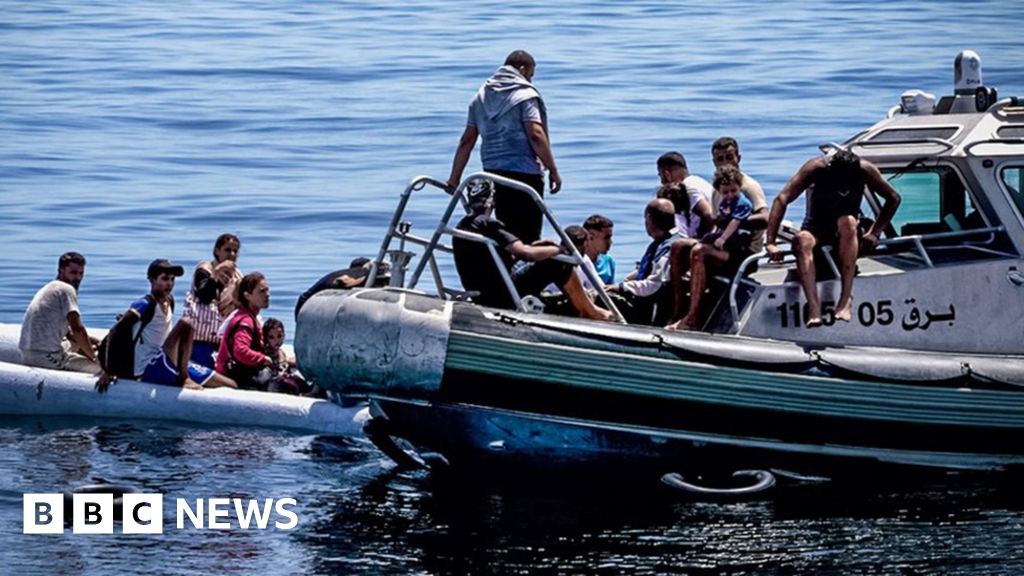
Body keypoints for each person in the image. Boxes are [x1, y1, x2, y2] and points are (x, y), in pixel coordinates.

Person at [765, 149, 902, 326]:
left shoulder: (865, 170)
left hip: (847, 231)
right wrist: (771, 242)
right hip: (816, 228)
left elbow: (893, 198)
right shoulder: (816, 168)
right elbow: (781, 199)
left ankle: (845, 300)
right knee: (802, 240)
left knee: (847, 221)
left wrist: (875, 232)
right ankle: (814, 308)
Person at [452, 180, 610, 320]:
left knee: (546, 253)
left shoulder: (463, 226)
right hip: (503, 295)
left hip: (482, 293)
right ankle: (589, 311)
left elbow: (508, 258)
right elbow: (525, 254)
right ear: (493, 200)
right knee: (558, 263)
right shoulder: (490, 225)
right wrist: (559, 249)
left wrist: (539, 246)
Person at [447, 50, 560, 244]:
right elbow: (535, 134)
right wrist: (553, 170)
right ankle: (524, 271)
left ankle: (506, 271)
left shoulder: (479, 98)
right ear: (523, 69)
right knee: (528, 236)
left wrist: (454, 178)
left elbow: (467, 141)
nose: (531, 81)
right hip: (525, 176)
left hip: (492, 175)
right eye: (531, 75)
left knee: (505, 233)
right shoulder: (525, 95)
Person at [106, 259, 236, 391]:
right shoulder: (145, 304)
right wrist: (108, 370)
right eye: (165, 279)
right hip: (148, 368)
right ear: (152, 280)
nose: (170, 284)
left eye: (172, 279)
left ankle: (182, 371)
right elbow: (116, 331)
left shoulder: (169, 301)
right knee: (186, 323)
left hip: (165, 359)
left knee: (230, 384)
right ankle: (184, 378)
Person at [667, 166, 754, 331]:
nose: (729, 195)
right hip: (723, 244)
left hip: (738, 251)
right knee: (678, 246)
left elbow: (737, 223)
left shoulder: (744, 201)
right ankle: (678, 310)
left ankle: (693, 318)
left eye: (733, 191)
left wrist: (720, 238)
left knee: (699, 251)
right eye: (725, 192)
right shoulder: (724, 200)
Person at [19, 252, 103, 375]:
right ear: (61, 270)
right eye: (73, 273)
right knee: (102, 369)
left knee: (75, 344)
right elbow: (77, 329)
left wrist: (95, 342)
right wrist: (94, 359)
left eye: (81, 273)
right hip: (46, 358)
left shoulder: (51, 287)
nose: (78, 278)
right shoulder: (67, 290)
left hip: (27, 352)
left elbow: (70, 333)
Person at [606, 199, 681, 325]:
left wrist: (621, 288)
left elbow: (654, 285)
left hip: (649, 310)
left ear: (649, 219)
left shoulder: (669, 248)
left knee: (601, 299)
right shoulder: (660, 243)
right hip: (643, 300)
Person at [183, 233, 242, 368]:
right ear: (217, 251)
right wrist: (216, 274)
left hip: (222, 341)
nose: (232, 254)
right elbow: (204, 296)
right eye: (227, 250)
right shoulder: (205, 269)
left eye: (235, 251)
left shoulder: (238, 276)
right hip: (199, 340)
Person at [710, 137, 769, 251]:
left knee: (700, 252)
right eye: (720, 159)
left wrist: (735, 221)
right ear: (714, 162)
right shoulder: (717, 190)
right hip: (725, 242)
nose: (725, 162)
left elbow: (765, 219)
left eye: (729, 157)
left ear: (738, 158)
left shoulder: (748, 186)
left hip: (747, 247)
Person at [217, 272, 274, 389]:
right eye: (262, 291)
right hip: (232, 375)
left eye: (267, 290)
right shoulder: (245, 321)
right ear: (248, 296)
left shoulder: (248, 316)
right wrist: (263, 359)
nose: (267, 295)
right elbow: (240, 351)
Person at [582, 215, 616, 284]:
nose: (610, 242)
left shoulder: (608, 261)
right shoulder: (577, 262)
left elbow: (611, 288)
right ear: (590, 237)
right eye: (606, 237)